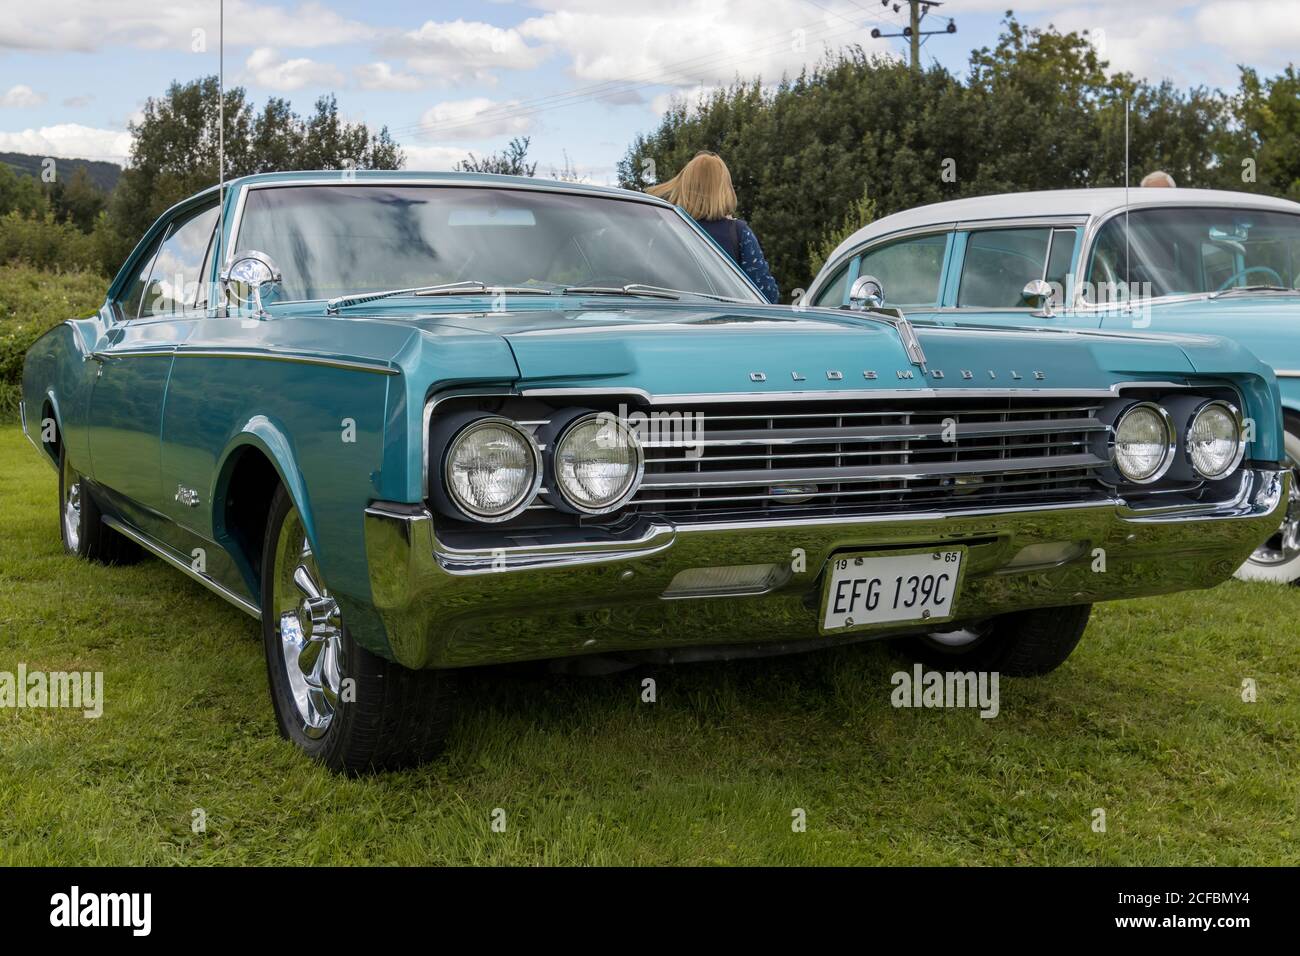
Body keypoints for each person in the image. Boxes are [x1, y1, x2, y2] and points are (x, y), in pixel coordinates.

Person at [647, 151, 780, 303]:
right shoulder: (738, 233)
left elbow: (649, 285)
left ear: (684, 185)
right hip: (727, 323)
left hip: (675, 322)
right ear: (724, 189)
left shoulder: (665, 229)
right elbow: (768, 295)